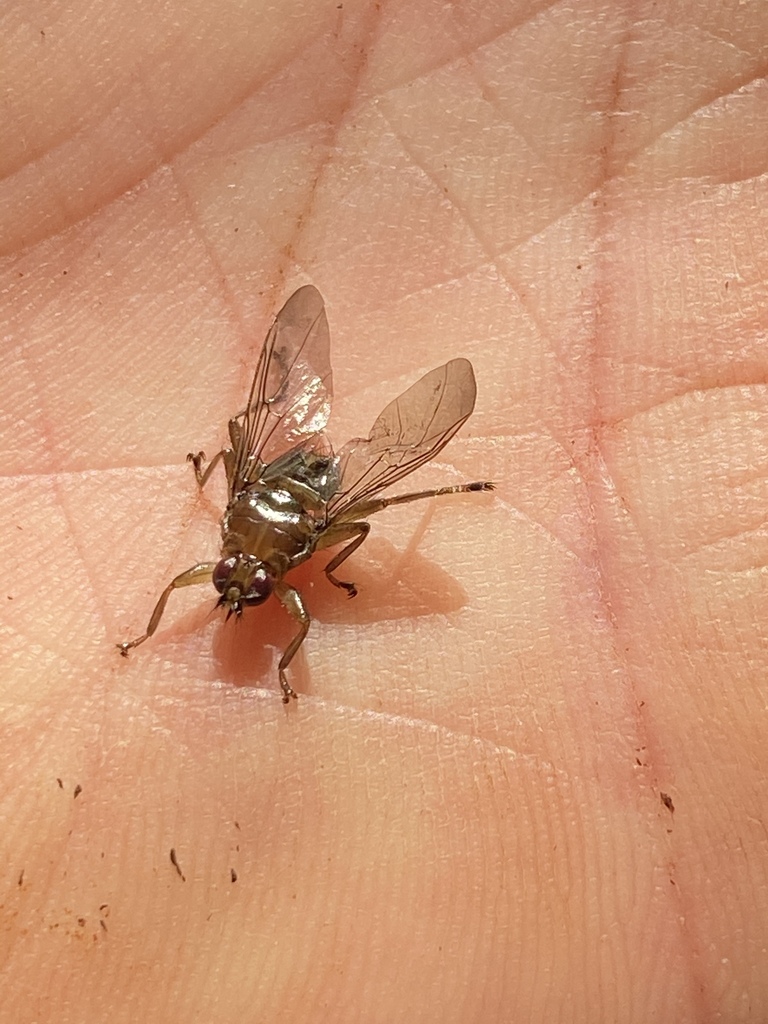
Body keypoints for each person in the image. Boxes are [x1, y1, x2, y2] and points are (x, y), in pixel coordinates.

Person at [2, 2, 765, 1020]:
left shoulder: (294, 576)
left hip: (315, 483)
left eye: (241, 583)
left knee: (383, 476)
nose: (233, 593)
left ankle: (437, 491)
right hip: (273, 476)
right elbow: (240, 502)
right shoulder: (232, 562)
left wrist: (332, 563)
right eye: (240, 582)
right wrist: (165, 612)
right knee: (250, 430)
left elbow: (316, 552)